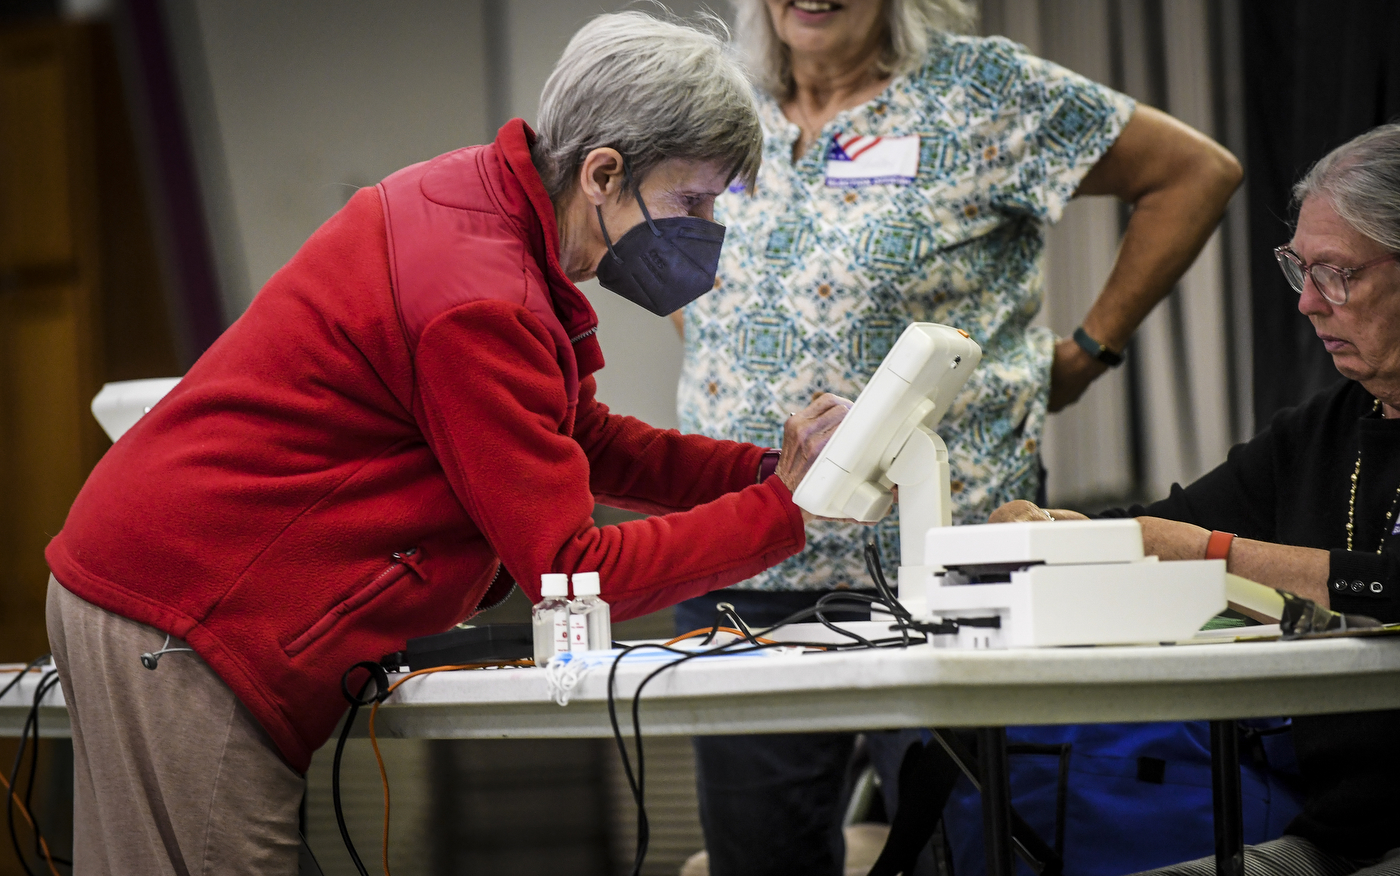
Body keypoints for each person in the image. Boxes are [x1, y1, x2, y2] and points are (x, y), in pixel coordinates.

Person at [41, 13, 852, 875]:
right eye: (692, 201)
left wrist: (765, 471)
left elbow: (580, 439)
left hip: (173, 593)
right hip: (181, 607)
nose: (705, 228)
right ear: (604, 173)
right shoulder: (480, 296)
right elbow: (571, 571)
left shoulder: (492, 216)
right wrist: (781, 511)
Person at [670, 1, 1242, 873]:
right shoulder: (717, 101)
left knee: (962, 855)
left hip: (950, 568)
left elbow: (1195, 172)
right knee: (758, 861)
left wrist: (1090, 351)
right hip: (748, 563)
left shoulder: (984, 89)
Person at [992, 122, 1400, 875]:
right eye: (1298, 270)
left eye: (1338, 273)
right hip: (1339, 836)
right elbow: (1165, 527)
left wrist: (1216, 557)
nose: (1309, 303)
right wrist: (1050, 533)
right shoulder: (1322, 430)